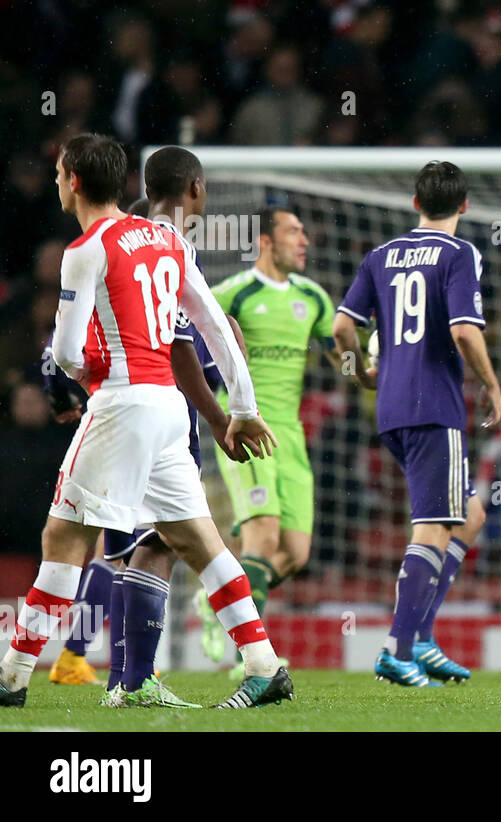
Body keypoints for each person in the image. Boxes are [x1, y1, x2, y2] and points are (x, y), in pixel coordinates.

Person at [0, 133, 288, 709]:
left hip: (123, 404)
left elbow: (64, 351)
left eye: (60, 174)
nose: (57, 183)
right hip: (168, 411)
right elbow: (213, 327)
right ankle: (263, 664)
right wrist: (244, 410)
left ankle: (11, 676)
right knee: (198, 541)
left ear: (75, 181)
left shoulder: (84, 250)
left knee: (62, 540)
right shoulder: (165, 238)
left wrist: (85, 380)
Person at [334, 161, 501, 686]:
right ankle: (395, 648)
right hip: (436, 405)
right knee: (432, 526)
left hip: (391, 408)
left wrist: (360, 371)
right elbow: (466, 332)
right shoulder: (460, 253)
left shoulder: (381, 255)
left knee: (468, 514)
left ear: (415, 204)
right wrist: (491, 385)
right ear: (465, 205)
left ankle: (422, 638)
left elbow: (342, 326)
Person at [202, 207, 340, 668]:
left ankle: (218, 603)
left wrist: (366, 366)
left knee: (295, 553)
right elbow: (186, 331)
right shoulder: (233, 293)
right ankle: (252, 659)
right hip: (245, 427)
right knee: (262, 536)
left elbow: (342, 351)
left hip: (291, 437)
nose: (304, 240)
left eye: (304, 232)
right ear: (265, 241)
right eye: (293, 232)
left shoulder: (313, 297)